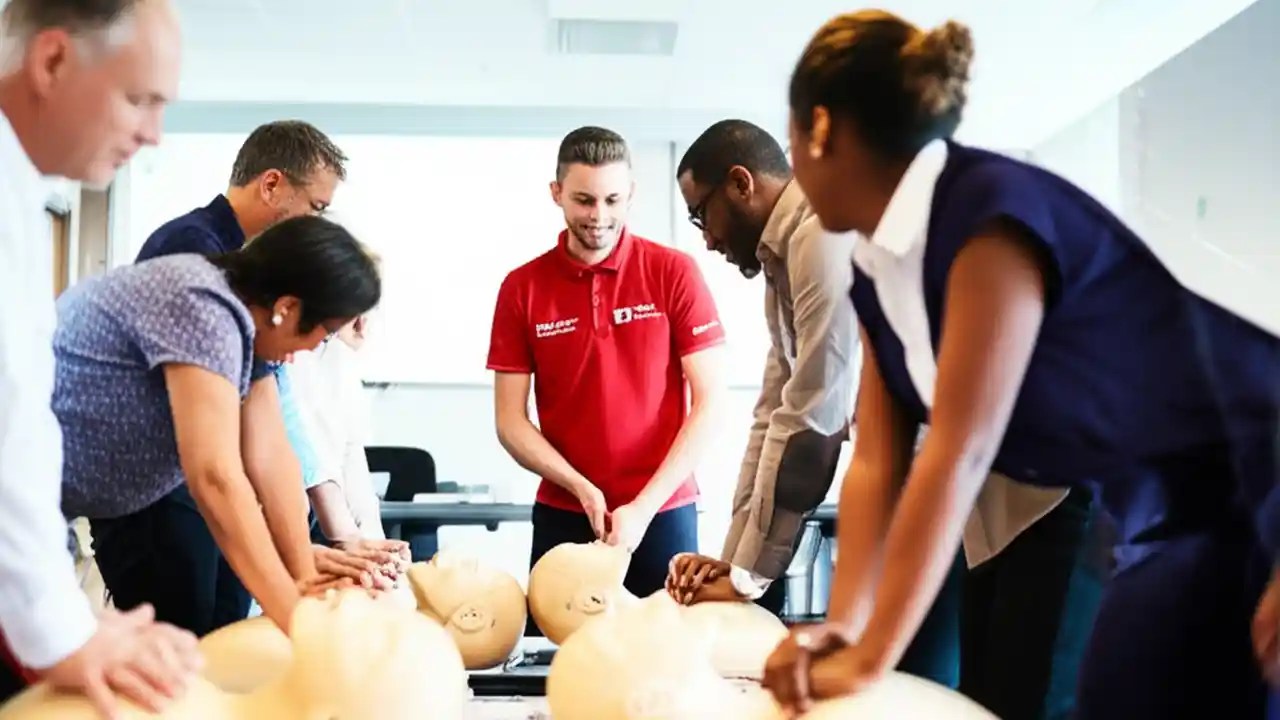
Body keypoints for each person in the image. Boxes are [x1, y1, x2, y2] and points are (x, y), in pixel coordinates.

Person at [761, 9, 1280, 720]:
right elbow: (879, 463)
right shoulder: (877, 274)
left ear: (819, 128)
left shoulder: (988, 217)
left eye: (791, 139)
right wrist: (845, 622)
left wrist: (871, 655)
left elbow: (959, 448)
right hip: (1152, 506)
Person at [664, 118, 963, 689]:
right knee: (899, 681)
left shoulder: (822, 238)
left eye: (702, 214)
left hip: (977, 482)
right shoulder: (783, 257)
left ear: (741, 184)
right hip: (921, 478)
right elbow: (773, 414)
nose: (705, 238)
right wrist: (733, 561)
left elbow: (813, 426)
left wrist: (750, 576)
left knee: (927, 685)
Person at [0, 0, 204, 714]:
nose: (152, 134)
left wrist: (63, 614)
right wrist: (59, 629)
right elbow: (5, 424)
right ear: (52, 61)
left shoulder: (22, 194)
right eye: (138, 99)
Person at [54, 215, 387, 645]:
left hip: (44, 504)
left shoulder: (248, 327)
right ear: (286, 308)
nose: (313, 349)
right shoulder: (202, 304)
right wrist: (297, 619)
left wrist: (301, 571)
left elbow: (272, 456)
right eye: (324, 334)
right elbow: (215, 474)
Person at [127, 120, 402, 630]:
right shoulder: (194, 252)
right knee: (190, 645)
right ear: (272, 184)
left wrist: (300, 564)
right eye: (317, 208)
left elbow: (271, 432)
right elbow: (211, 457)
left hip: (197, 485)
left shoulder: (260, 279)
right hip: (156, 492)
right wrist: (294, 601)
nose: (319, 224)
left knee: (231, 635)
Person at [487, 126, 729, 613]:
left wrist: (642, 506)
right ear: (556, 194)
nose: (599, 217)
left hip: (663, 510)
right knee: (557, 664)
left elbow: (711, 402)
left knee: (666, 654)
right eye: (583, 200)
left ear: (631, 195)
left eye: (612, 200)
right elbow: (510, 421)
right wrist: (580, 487)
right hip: (564, 515)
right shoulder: (522, 288)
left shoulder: (673, 272)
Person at [290, 314, 386, 545]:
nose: (362, 329)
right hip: (279, 510)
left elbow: (351, 450)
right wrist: (347, 535)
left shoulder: (337, 352)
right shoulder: (290, 352)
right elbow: (302, 445)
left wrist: (374, 542)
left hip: (322, 515)